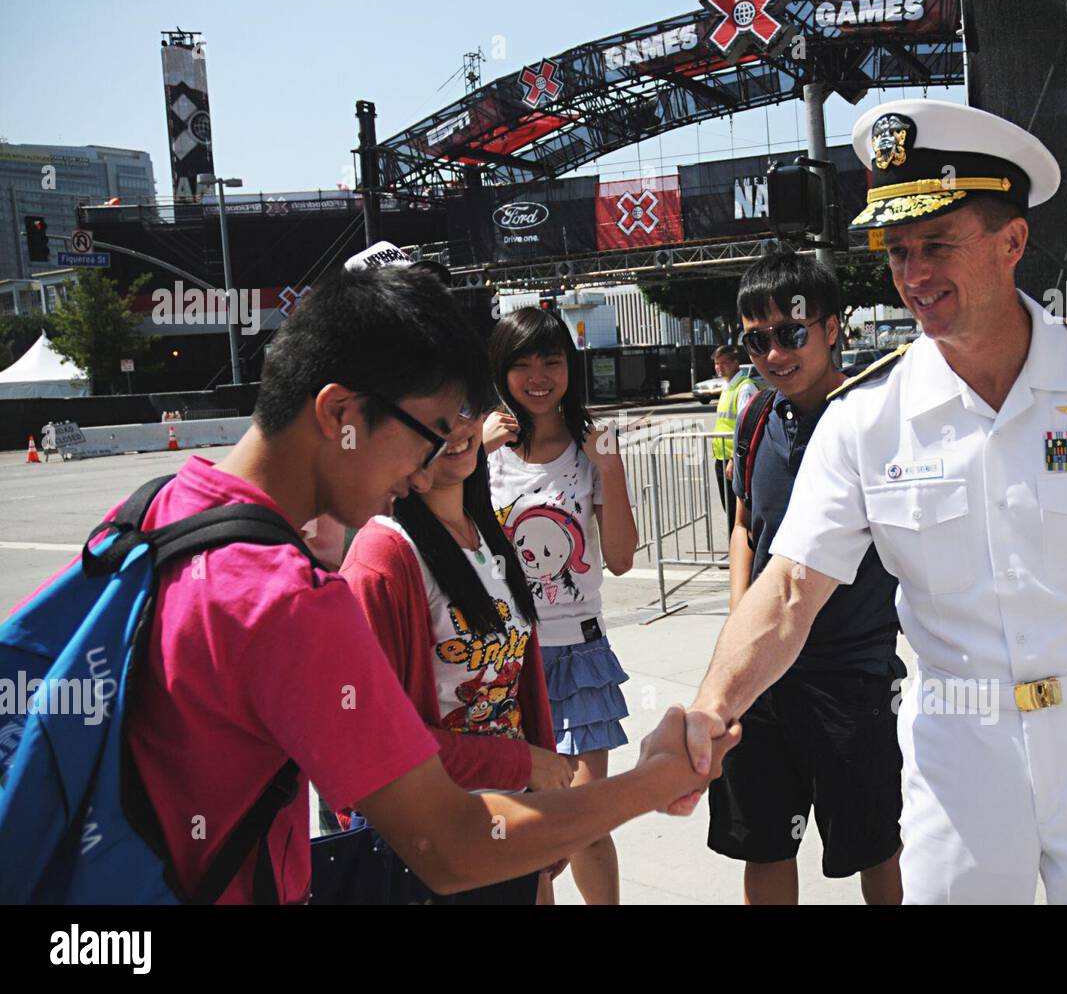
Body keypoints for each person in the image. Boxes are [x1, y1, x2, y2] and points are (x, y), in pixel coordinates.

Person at [677, 99, 1067, 904]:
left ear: (1012, 241)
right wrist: (712, 710)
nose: (915, 275)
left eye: (937, 245)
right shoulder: (866, 416)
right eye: (898, 252)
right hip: (958, 745)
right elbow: (787, 590)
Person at [14, 266, 737, 903]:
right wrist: (651, 781)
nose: (430, 463)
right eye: (427, 432)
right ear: (339, 413)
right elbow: (451, 847)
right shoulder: (289, 599)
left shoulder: (160, 510)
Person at [707, 251, 904, 905]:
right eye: (755, 340)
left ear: (832, 328)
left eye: (790, 333)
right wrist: (740, 630)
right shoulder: (757, 418)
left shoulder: (875, 421)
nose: (773, 354)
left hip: (850, 676)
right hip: (761, 681)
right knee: (761, 843)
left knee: (873, 845)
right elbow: (744, 526)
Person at [341, 374, 576, 904]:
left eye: (465, 407)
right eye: (430, 418)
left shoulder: (488, 531)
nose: (457, 428)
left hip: (513, 825)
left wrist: (546, 803)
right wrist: (525, 766)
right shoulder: (382, 561)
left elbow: (521, 686)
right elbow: (382, 746)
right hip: (434, 848)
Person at [483, 306, 637, 905]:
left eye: (551, 360)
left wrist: (611, 467)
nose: (538, 375)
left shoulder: (591, 447)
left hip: (578, 654)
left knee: (584, 824)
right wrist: (470, 457)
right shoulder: (481, 451)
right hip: (505, 660)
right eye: (521, 364)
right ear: (501, 372)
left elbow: (621, 557)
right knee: (529, 836)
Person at [710, 345, 759, 528]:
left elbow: (746, 426)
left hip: (734, 460)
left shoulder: (744, 388)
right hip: (722, 457)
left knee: (738, 516)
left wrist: (733, 458)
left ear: (735, 363)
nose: (719, 367)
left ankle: (743, 554)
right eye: (716, 363)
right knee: (730, 511)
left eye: (724, 363)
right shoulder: (728, 386)